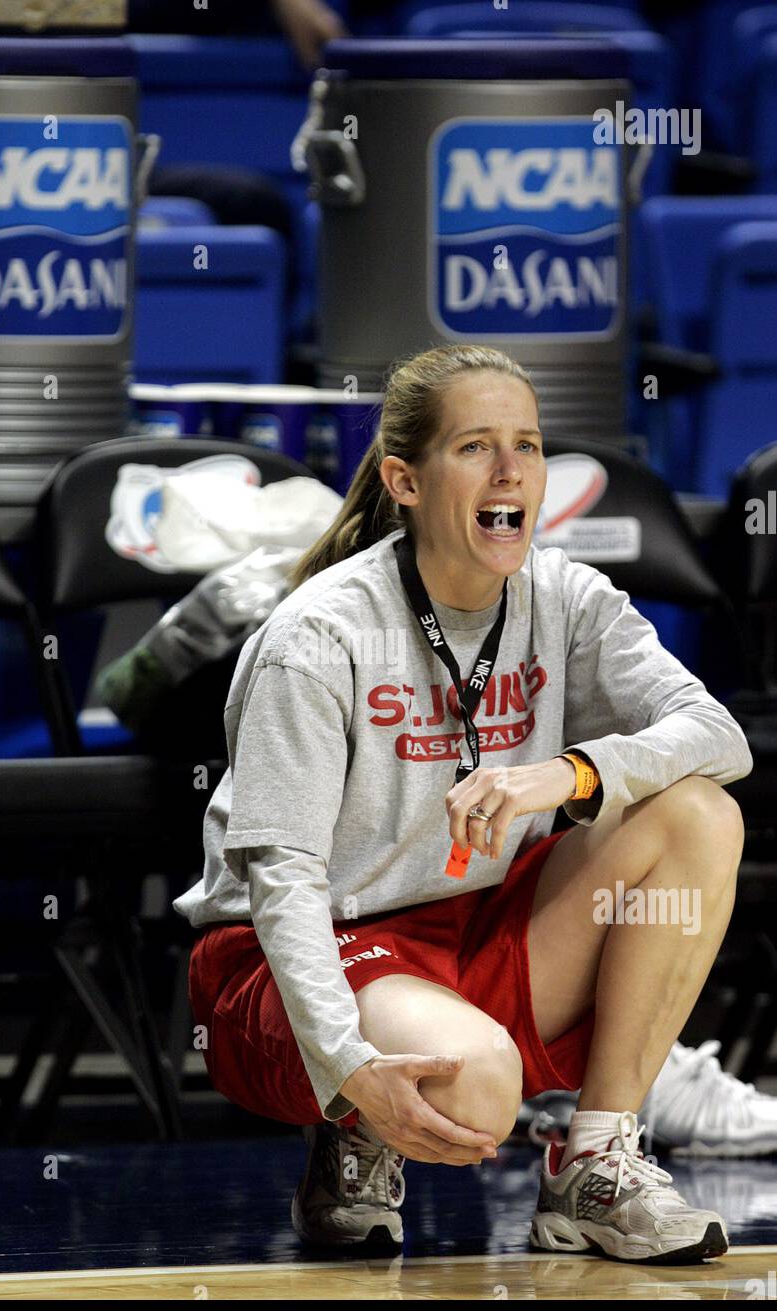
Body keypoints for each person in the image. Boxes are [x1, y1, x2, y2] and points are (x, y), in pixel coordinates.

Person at [175, 344, 753, 1262]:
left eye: (526, 443)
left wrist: (567, 774)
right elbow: (282, 881)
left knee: (698, 815)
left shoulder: (563, 595)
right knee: (477, 1087)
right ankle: (351, 1137)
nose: (513, 469)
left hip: (471, 925)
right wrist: (350, 1066)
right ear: (404, 480)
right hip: (298, 952)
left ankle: (595, 1165)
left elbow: (718, 735)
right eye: (477, 446)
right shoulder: (320, 635)